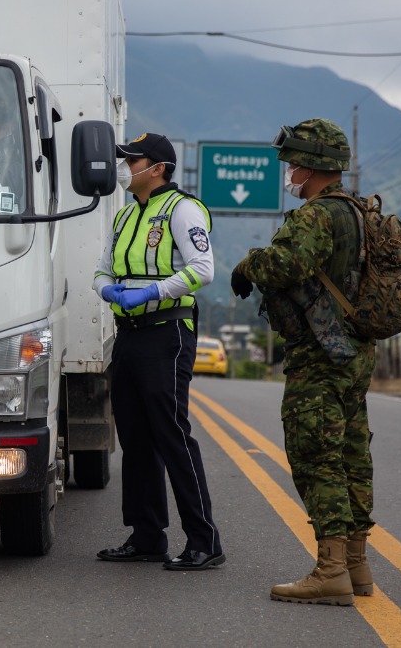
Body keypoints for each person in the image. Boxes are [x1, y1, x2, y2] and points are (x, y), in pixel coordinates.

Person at [230, 118, 374, 606]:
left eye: (293, 164)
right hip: (356, 354)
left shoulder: (316, 217)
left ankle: (330, 570)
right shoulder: (358, 214)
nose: (289, 173)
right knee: (353, 455)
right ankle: (356, 565)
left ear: (313, 167)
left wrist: (247, 264)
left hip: (320, 354)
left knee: (317, 458)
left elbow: (287, 264)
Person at [92, 132, 225, 571]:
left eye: (134, 161)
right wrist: (107, 289)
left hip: (165, 333)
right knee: (135, 438)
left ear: (159, 168)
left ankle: (205, 541)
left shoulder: (181, 210)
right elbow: (102, 270)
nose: (126, 168)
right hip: (127, 334)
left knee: (170, 433)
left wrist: (151, 292)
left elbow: (202, 271)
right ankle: (146, 535)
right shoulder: (126, 216)